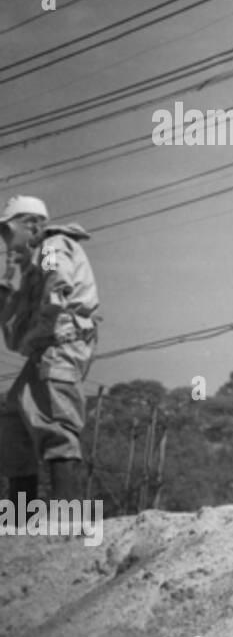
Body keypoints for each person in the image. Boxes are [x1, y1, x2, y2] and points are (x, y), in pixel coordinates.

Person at [0, 196, 100, 503]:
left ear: (30, 225)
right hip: (45, 348)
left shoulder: (52, 246)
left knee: (56, 422)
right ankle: (21, 519)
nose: (5, 240)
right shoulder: (31, 265)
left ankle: (65, 516)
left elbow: (57, 287)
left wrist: (44, 319)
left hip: (61, 344)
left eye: (7, 231)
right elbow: (15, 336)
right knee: (13, 419)